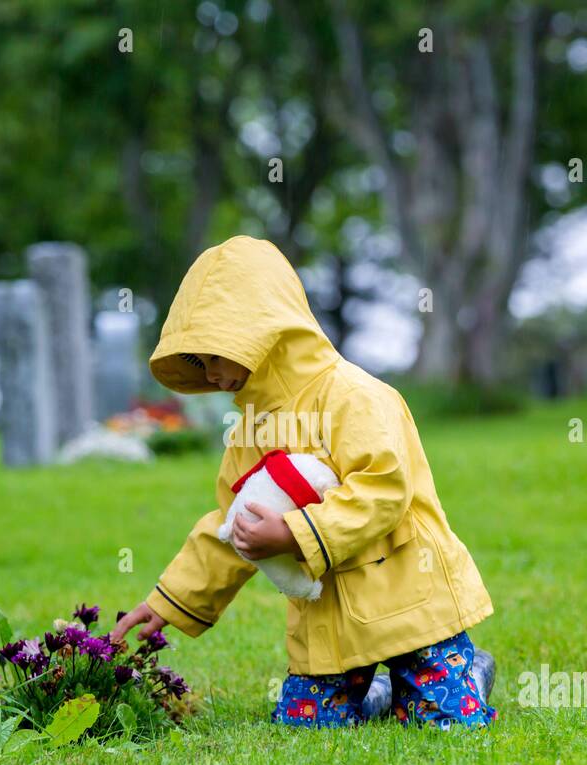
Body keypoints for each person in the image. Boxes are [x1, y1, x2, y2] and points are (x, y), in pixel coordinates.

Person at [109, 236, 497, 729]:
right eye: (199, 363)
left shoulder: (353, 395)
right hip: (328, 622)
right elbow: (234, 527)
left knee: (447, 721)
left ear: (262, 331)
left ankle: (466, 674)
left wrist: (293, 533)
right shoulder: (249, 427)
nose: (212, 373)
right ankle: (376, 691)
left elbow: (384, 489)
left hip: (408, 600)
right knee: (306, 722)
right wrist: (167, 602)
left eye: (217, 354)